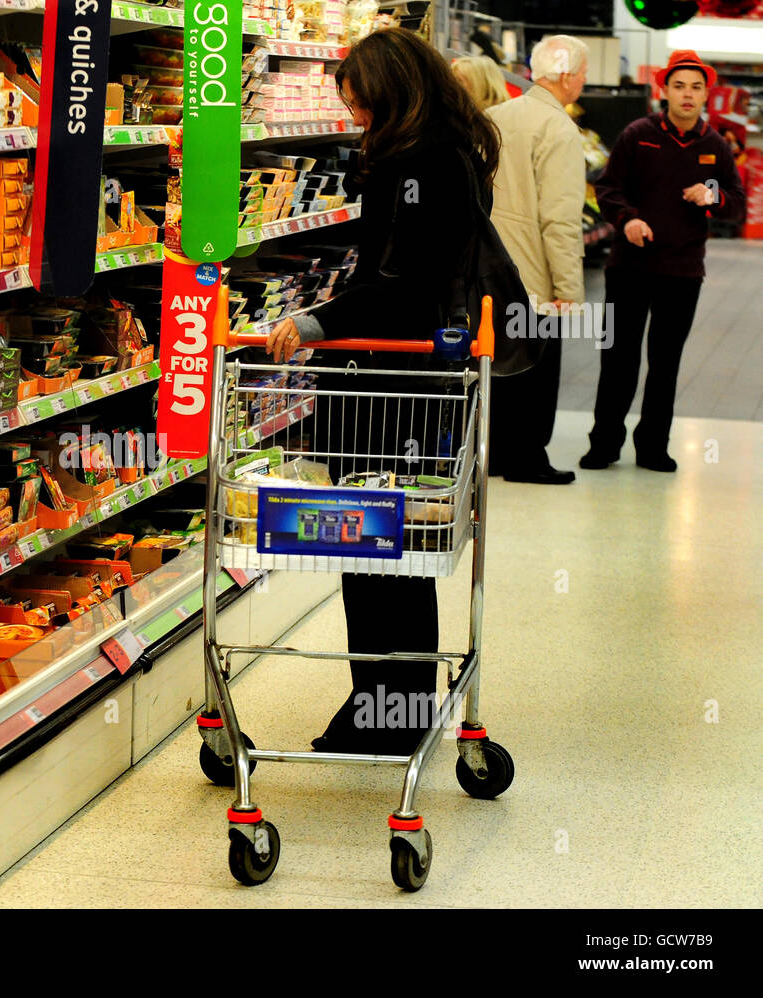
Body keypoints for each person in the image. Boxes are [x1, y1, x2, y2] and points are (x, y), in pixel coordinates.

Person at [265, 28, 499, 757]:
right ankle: (388, 706)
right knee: (386, 551)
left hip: (393, 387)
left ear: (394, 90)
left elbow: (399, 289)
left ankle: (388, 713)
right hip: (401, 382)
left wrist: (314, 321)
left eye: (360, 100)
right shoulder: (441, 151)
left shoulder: (425, 163)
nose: (353, 112)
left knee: (378, 549)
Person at [581, 50, 746, 472]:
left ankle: (653, 446)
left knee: (665, 362)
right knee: (617, 358)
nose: (687, 95)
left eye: (695, 87)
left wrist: (714, 196)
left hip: (682, 272)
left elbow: (736, 205)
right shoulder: (638, 135)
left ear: (707, 94)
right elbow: (608, 189)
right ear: (664, 91)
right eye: (679, 86)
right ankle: (605, 443)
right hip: (628, 268)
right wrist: (629, 219)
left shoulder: (715, 147)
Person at [484, 34, 589, 485]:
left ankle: (499, 454)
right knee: (538, 370)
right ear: (566, 75)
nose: (583, 82)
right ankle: (529, 457)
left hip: (490, 268)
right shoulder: (559, 129)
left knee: (500, 365)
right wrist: (569, 289)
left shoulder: (492, 118)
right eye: (582, 73)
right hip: (537, 275)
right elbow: (560, 220)